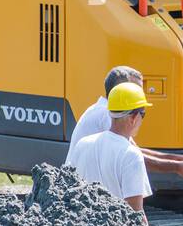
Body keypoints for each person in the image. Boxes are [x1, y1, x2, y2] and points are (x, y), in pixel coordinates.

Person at [67, 65, 183, 181]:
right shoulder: (106, 114)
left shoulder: (103, 109)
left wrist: (179, 159)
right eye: (136, 91)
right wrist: (177, 166)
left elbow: (135, 151)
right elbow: (134, 156)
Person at [65, 82, 155, 216]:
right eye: (143, 115)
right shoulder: (131, 155)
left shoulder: (83, 144)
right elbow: (136, 213)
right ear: (134, 117)